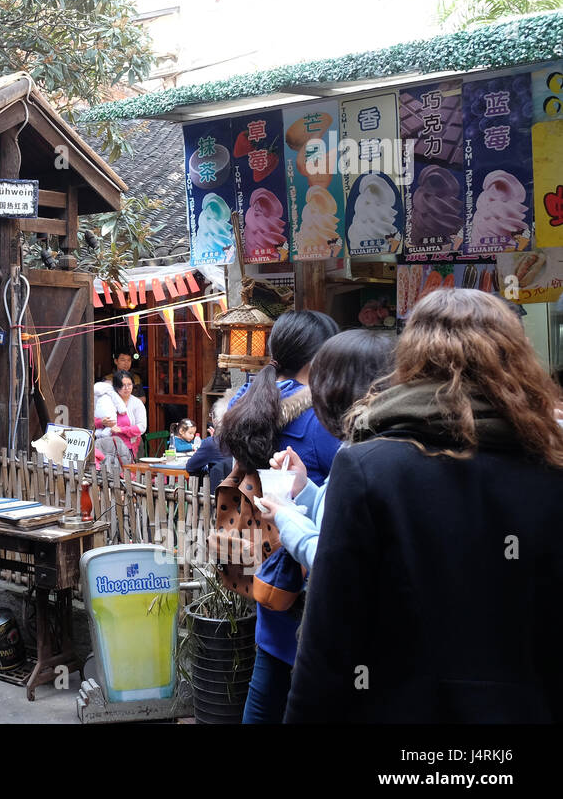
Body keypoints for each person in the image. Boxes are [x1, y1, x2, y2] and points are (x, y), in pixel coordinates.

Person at [286, 290, 563, 722]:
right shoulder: (551, 465)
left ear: (411, 358)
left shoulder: (367, 467)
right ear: (516, 356)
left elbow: (330, 637)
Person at [215, 309, 340, 724]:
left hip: (264, 562)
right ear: (320, 359)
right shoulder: (321, 419)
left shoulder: (246, 400)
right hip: (305, 569)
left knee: (267, 677)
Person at [252, 330, 395, 570]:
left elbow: (330, 557)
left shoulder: (360, 459)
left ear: (332, 391)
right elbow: (336, 520)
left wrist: (285, 516)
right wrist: (304, 487)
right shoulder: (374, 444)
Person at [186, 390, 237, 495]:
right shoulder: (248, 441)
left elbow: (190, 467)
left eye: (212, 415)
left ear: (217, 419)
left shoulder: (213, 443)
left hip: (220, 499)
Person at [94, 371, 146, 473]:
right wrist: (102, 422)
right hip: (107, 448)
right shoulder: (107, 400)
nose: (126, 388)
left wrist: (121, 430)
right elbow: (93, 421)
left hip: (128, 449)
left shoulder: (137, 403)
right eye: (122, 385)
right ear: (116, 387)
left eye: (129, 384)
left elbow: (141, 427)